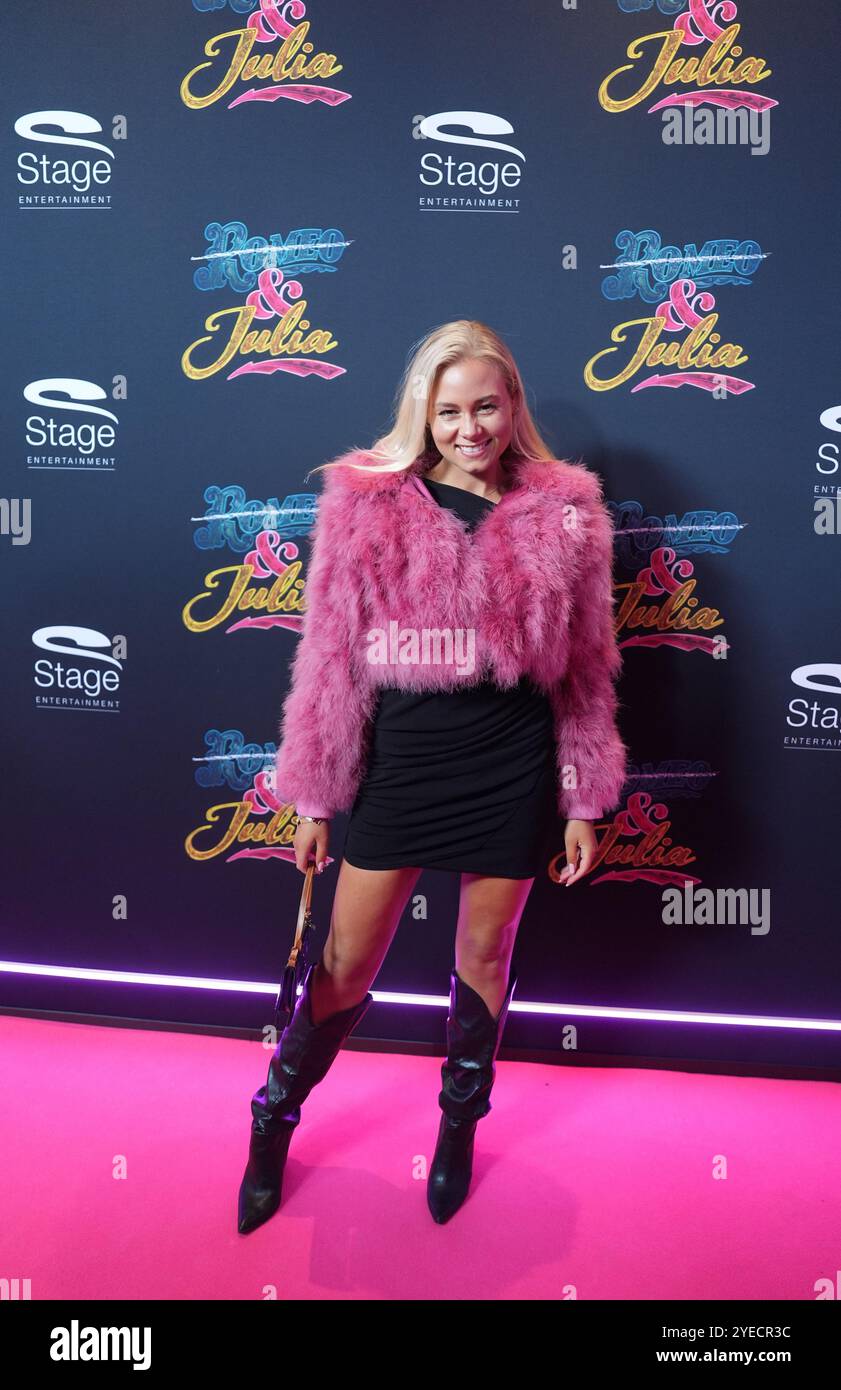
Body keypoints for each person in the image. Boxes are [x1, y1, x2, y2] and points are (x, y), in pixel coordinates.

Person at [237, 320, 628, 1235]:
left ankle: (457, 1130)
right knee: (342, 967)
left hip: (513, 763)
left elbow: (585, 668)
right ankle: (272, 1122)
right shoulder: (366, 501)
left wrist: (578, 792)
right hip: (403, 762)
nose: (468, 426)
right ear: (423, 411)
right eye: (448, 409)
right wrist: (316, 791)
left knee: (484, 958)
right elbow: (331, 655)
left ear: (512, 405)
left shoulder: (566, 510)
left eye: (485, 405)